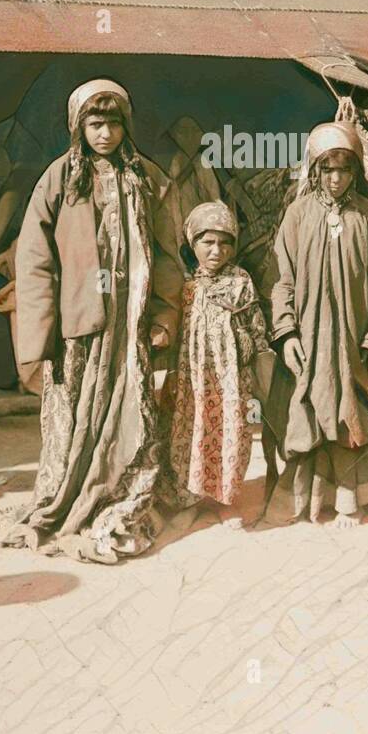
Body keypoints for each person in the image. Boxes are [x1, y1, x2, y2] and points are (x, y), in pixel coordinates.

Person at [0, 79, 182, 563]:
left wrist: (165, 316)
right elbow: (33, 256)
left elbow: (169, 254)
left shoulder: (146, 177)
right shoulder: (59, 178)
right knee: (76, 414)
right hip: (80, 324)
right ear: (78, 126)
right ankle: (68, 497)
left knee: (131, 410)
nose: (105, 133)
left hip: (128, 323)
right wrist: (42, 326)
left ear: (125, 125)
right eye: (95, 123)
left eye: (113, 123)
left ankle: (118, 493)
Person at [266, 120, 368, 529]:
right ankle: (314, 499)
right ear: (314, 170)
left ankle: (350, 498)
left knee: (353, 411)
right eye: (327, 169)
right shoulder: (297, 216)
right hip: (310, 339)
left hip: (354, 337)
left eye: (344, 169)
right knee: (313, 409)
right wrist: (286, 332)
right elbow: (282, 278)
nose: (336, 179)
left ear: (356, 172)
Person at [162, 201, 269, 528]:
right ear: (192, 243)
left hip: (230, 379)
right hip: (192, 377)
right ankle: (193, 498)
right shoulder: (184, 284)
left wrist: (249, 340)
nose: (216, 250)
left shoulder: (241, 281)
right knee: (190, 432)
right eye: (207, 242)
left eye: (224, 243)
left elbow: (257, 326)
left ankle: (225, 500)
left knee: (230, 433)